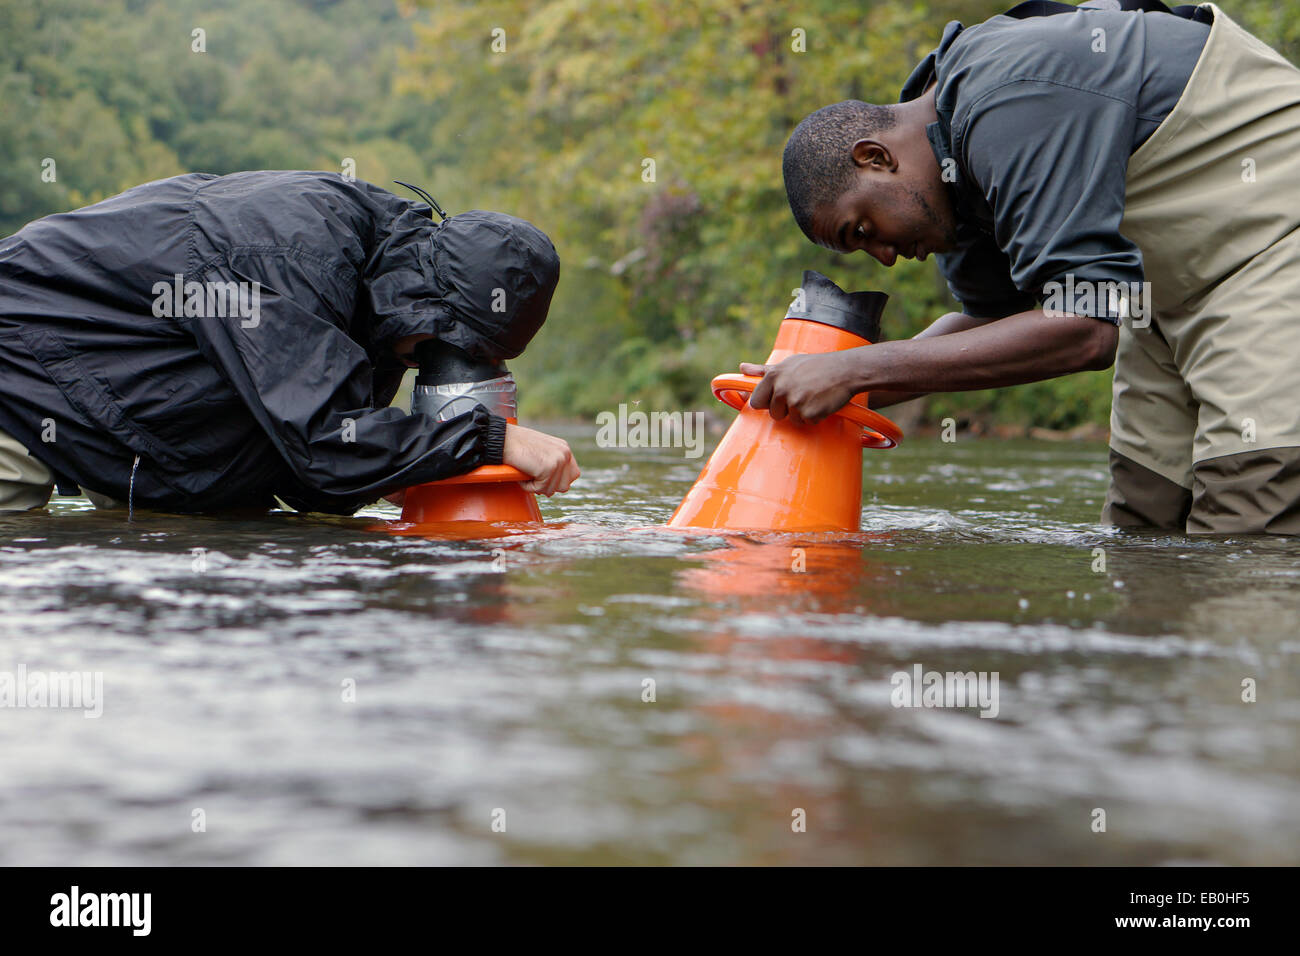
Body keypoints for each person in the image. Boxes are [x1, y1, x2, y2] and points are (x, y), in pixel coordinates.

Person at [754, 0, 1300, 534]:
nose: (886, 258)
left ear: (875, 157)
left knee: (1246, 511)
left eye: (864, 231)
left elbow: (1084, 332)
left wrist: (855, 371)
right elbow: (998, 319)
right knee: (1146, 517)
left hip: (1272, 242)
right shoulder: (945, 172)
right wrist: (824, 387)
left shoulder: (1005, 104)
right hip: (1158, 294)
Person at [0, 170, 579, 514]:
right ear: (431, 302)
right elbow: (325, 445)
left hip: (112, 406)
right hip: (20, 372)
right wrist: (488, 440)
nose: (440, 366)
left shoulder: (381, 291)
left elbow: (306, 470)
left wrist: (399, 474)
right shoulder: (296, 258)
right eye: (454, 347)